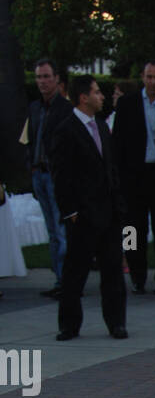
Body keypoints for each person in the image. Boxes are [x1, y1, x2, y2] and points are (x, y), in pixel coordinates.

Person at [49, 75, 127, 340]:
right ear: (83, 97)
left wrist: (118, 204)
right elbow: (61, 176)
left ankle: (116, 322)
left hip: (109, 213)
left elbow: (111, 167)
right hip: (82, 216)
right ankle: (69, 325)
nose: (101, 96)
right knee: (75, 272)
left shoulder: (102, 127)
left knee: (113, 270)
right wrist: (70, 212)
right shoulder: (66, 130)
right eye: (96, 92)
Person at [112, 61, 155, 293]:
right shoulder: (127, 104)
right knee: (132, 230)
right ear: (142, 77)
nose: (153, 82)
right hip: (134, 176)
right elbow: (117, 141)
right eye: (149, 77)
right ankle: (137, 276)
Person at [22, 58, 72, 297]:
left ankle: (68, 281)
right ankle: (60, 279)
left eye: (46, 77)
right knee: (52, 231)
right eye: (38, 77)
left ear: (56, 80)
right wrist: (31, 167)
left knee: (61, 230)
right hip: (39, 174)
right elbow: (29, 139)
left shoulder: (65, 109)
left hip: (55, 176)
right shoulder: (35, 108)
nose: (42, 81)